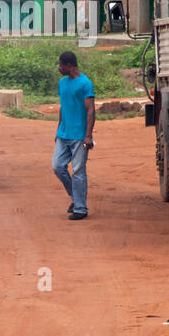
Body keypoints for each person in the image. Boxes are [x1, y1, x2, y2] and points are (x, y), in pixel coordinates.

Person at [53, 50, 95, 220]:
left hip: (79, 135)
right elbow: (63, 107)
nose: (58, 68)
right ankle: (75, 198)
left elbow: (90, 110)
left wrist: (88, 136)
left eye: (60, 65)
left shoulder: (85, 84)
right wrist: (58, 129)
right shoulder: (62, 83)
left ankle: (81, 208)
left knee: (78, 170)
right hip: (63, 134)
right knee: (57, 167)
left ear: (69, 66)